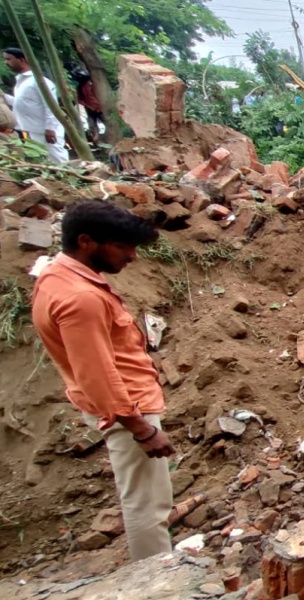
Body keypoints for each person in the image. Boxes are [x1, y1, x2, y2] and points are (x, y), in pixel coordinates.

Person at [30, 200, 173, 560]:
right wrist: (141, 428)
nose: (131, 256)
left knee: (145, 499)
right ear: (87, 242)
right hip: (128, 410)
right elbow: (96, 372)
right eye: (122, 247)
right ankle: (159, 586)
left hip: (127, 405)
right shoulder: (81, 298)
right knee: (147, 505)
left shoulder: (55, 276)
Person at [4, 47, 68, 163]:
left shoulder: (39, 81)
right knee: (45, 161)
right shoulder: (22, 82)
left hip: (46, 130)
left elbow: (50, 106)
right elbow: (21, 103)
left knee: (58, 159)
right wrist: (4, 96)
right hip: (33, 129)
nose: (6, 63)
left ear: (21, 60)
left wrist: (50, 129)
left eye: (9, 59)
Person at [72, 69, 103, 145]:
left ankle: (99, 139)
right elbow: (80, 100)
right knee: (92, 125)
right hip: (90, 109)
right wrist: (88, 106)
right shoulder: (80, 88)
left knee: (102, 124)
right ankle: (96, 140)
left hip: (98, 108)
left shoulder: (92, 85)